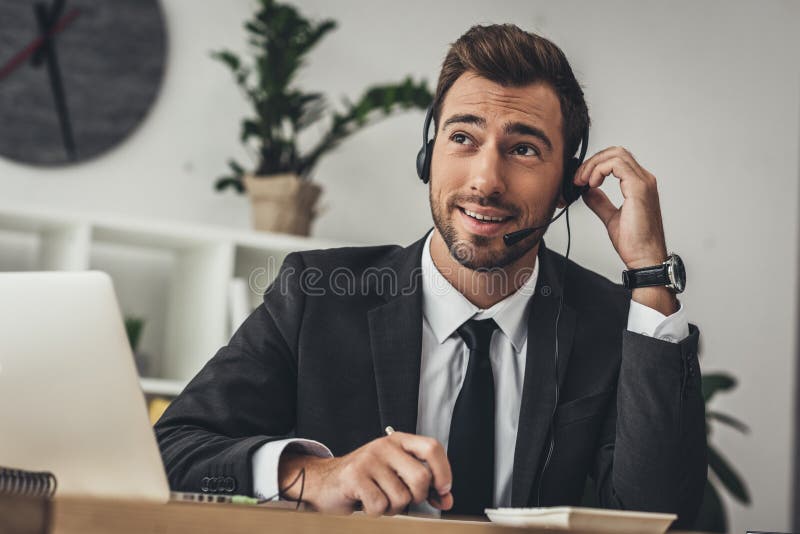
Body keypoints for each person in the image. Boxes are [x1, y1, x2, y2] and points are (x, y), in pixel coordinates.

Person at [155, 23, 706, 526]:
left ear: (568, 184)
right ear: (429, 153)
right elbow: (169, 450)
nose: (486, 181)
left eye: (523, 149)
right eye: (463, 138)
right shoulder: (315, 295)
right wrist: (315, 475)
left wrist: (649, 273)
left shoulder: (612, 324)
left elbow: (665, 518)